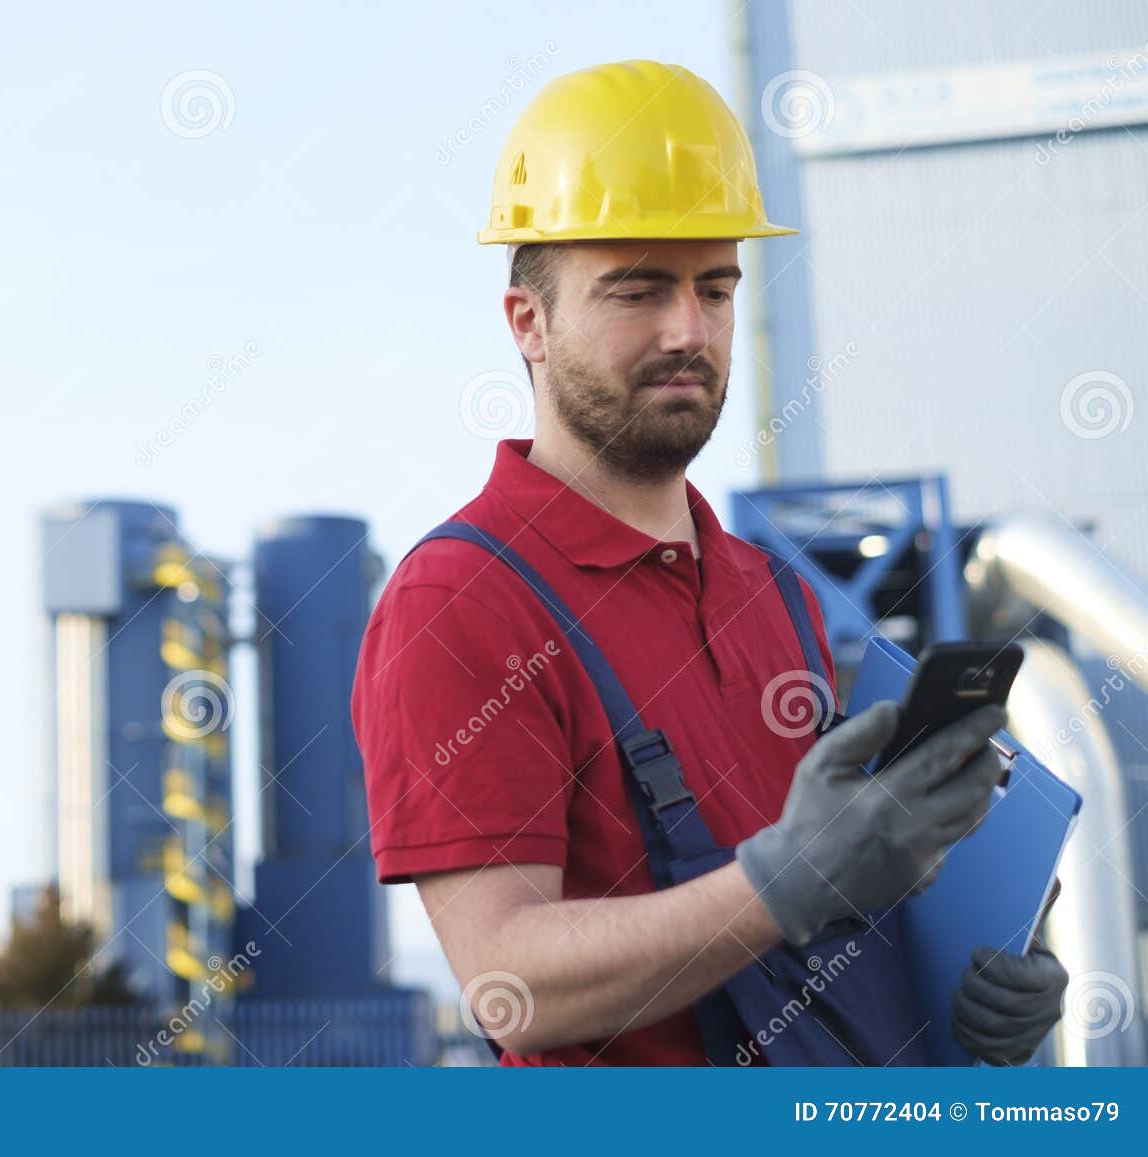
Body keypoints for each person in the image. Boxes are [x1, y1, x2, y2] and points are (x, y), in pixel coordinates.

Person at [349, 60, 1067, 1066]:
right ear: (529, 325)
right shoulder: (459, 600)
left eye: (714, 287)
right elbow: (509, 985)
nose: (687, 330)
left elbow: (821, 925)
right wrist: (783, 879)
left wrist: (974, 973)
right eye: (637, 288)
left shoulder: (767, 590)